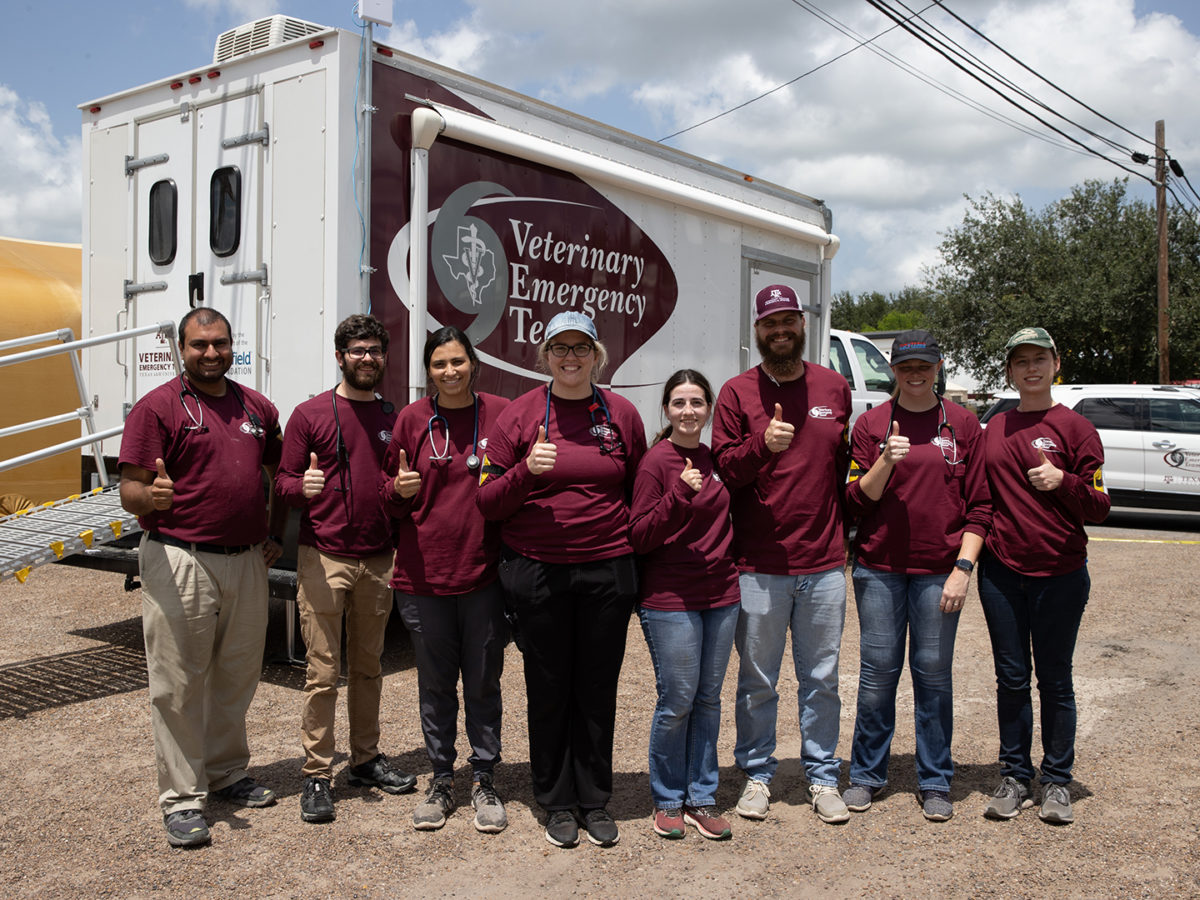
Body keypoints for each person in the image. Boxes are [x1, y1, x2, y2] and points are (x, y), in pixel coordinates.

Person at [477, 311, 646, 849]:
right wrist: (527, 470)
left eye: (580, 347)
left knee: (596, 687)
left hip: (607, 567)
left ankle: (594, 799)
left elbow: (641, 489)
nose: (570, 358)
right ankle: (555, 801)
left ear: (597, 354)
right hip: (537, 569)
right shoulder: (521, 416)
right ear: (544, 355)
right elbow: (486, 501)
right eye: (559, 348)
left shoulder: (620, 413)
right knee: (548, 687)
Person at [118, 307, 285, 848]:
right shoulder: (157, 409)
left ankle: (226, 772)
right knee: (179, 683)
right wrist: (153, 497)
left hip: (247, 559)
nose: (211, 353)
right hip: (179, 557)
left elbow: (279, 473)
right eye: (199, 345)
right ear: (182, 349)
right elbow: (130, 493)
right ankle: (182, 799)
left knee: (237, 674)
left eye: (220, 344)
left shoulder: (256, 407)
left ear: (233, 346)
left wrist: (276, 531)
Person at [711, 283, 852, 825]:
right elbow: (726, 469)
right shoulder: (736, 393)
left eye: (788, 320)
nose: (780, 330)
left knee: (822, 676)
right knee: (758, 679)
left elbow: (847, 471)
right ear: (758, 331)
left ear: (802, 324)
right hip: (759, 565)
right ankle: (757, 775)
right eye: (770, 323)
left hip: (822, 564)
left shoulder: (834, 387)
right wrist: (759, 445)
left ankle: (821, 776)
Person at [842, 329, 989, 822]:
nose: (915, 374)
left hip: (939, 572)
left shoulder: (964, 424)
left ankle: (935, 779)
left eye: (924, 365)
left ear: (939, 364)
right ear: (893, 371)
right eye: (906, 368)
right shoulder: (871, 424)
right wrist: (884, 459)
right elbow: (855, 500)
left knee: (933, 677)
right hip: (879, 569)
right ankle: (865, 774)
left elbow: (981, 508)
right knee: (878, 677)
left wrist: (962, 569)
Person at [274, 314, 415, 825]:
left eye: (375, 351)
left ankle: (365, 759)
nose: (367, 358)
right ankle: (316, 773)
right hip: (325, 555)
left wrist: (398, 495)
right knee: (322, 672)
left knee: (369, 666)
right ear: (340, 357)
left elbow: (391, 487)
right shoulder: (309, 413)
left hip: (378, 557)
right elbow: (284, 482)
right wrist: (300, 489)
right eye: (357, 350)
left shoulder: (390, 417)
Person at [978, 327, 1109, 825]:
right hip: (1002, 573)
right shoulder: (995, 428)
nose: (1030, 369)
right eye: (1020, 361)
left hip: (1060, 571)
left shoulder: (1077, 429)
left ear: (1056, 364)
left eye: (1039, 359)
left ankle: (1057, 781)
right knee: (1010, 679)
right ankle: (1015, 774)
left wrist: (1064, 481)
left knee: (1055, 679)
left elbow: (1099, 506)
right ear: (1009, 371)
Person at [383, 327, 511, 834]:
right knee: (435, 686)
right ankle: (441, 779)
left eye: (458, 361)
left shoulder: (500, 413)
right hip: (424, 576)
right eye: (439, 364)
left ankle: (484, 778)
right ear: (427, 371)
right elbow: (385, 496)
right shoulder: (411, 420)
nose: (450, 371)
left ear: (472, 364)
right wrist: (398, 490)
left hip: (483, 574)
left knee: (483, 682)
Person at [630, 370, 739, 842]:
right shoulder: (657, 462)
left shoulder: (715, 459)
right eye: (679, 403)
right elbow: (638, 535)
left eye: (697, 402)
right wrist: (678, 495)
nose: (689, 411)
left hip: (721, 596)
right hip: (670, 598)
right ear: (666, 410)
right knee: (677, 700)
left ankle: (702, 796)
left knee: (709, 700)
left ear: (709, 408)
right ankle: (668, 799)